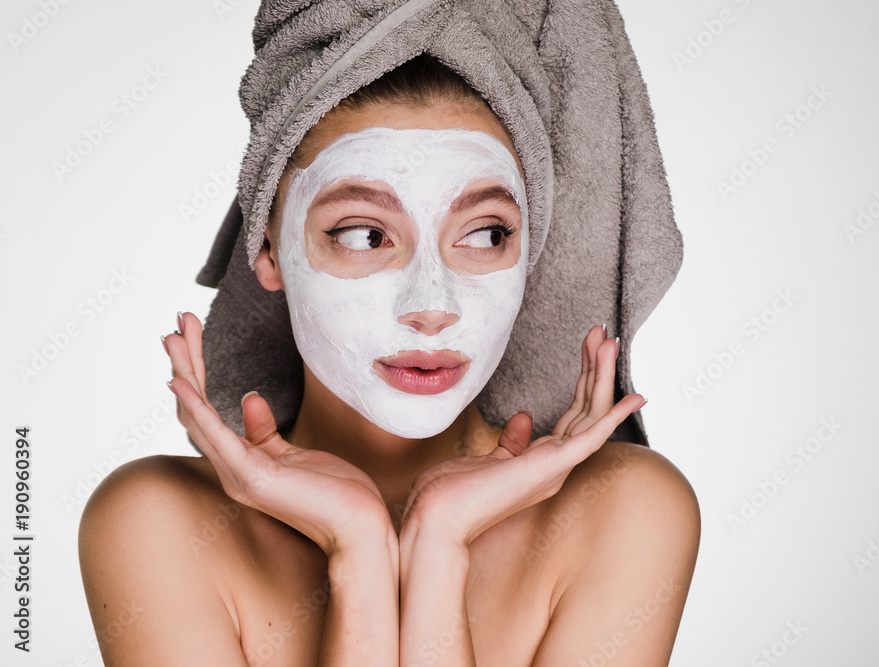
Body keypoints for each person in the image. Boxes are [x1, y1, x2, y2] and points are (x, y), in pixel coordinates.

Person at [79, 20, 698, 667]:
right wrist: (359, 547)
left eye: (486, 234)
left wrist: (438, 541)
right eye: (364, 235)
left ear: (529, 253)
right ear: (268, 250)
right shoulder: (154, 525)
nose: (431, 305)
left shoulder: (625, 514)